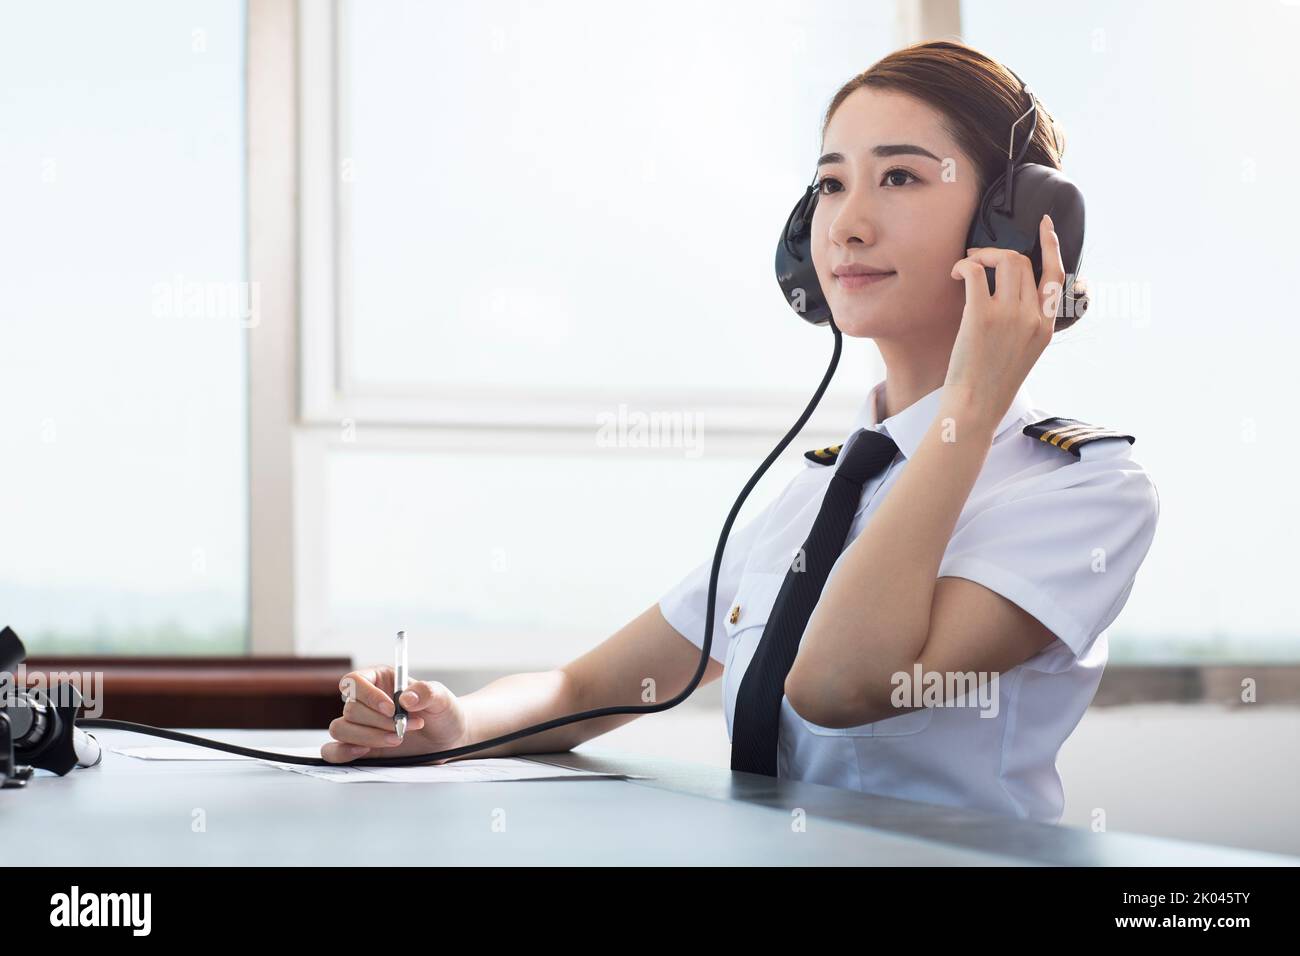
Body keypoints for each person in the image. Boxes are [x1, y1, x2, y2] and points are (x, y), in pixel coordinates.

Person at [321, 40, 1159, 825]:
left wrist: (969, 407)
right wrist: (457, 723)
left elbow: (839, 685)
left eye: (900, 178)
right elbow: (591, 683)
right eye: (831, 184)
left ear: (1009, 228)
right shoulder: (820, 492)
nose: (846, 225)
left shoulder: (1081, 492)